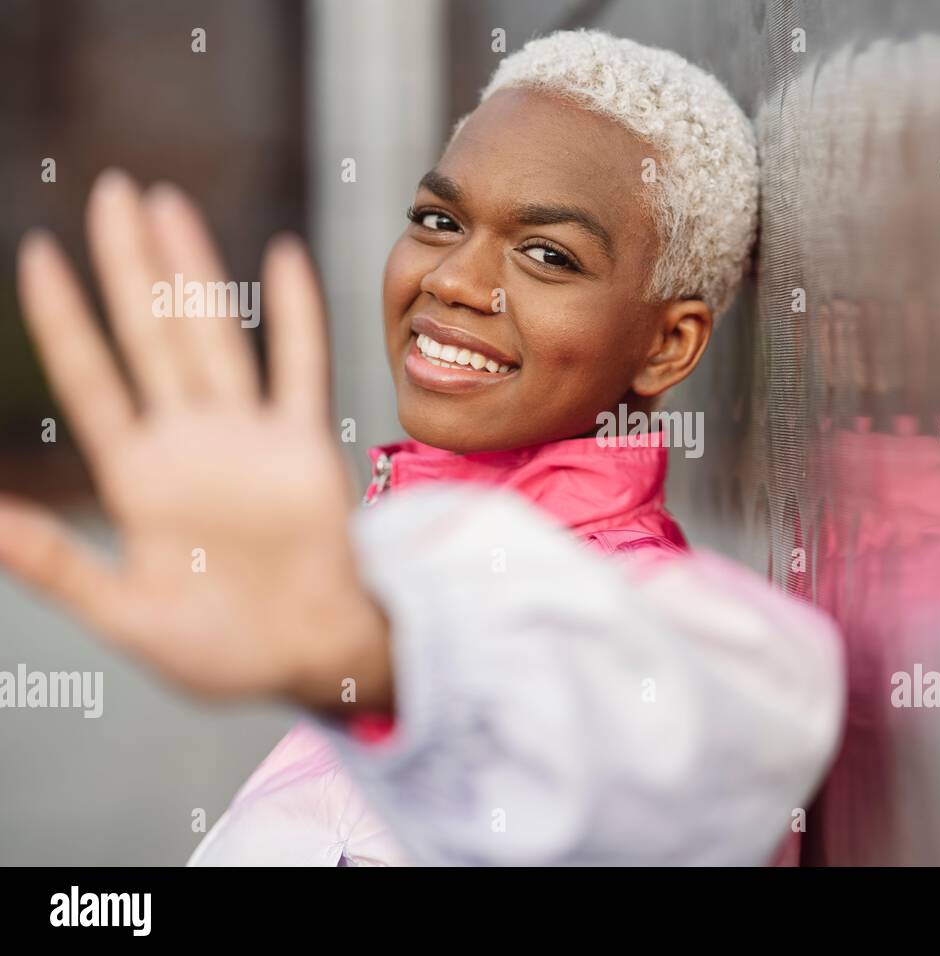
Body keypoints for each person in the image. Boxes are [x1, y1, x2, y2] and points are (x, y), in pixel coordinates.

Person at [0, 30, 844, 865]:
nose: (451, 280)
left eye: (547, 255)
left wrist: (382, 656)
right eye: (439, 219)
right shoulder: (393, 560)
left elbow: (710, 729)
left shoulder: (649, 620)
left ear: (667, 346)